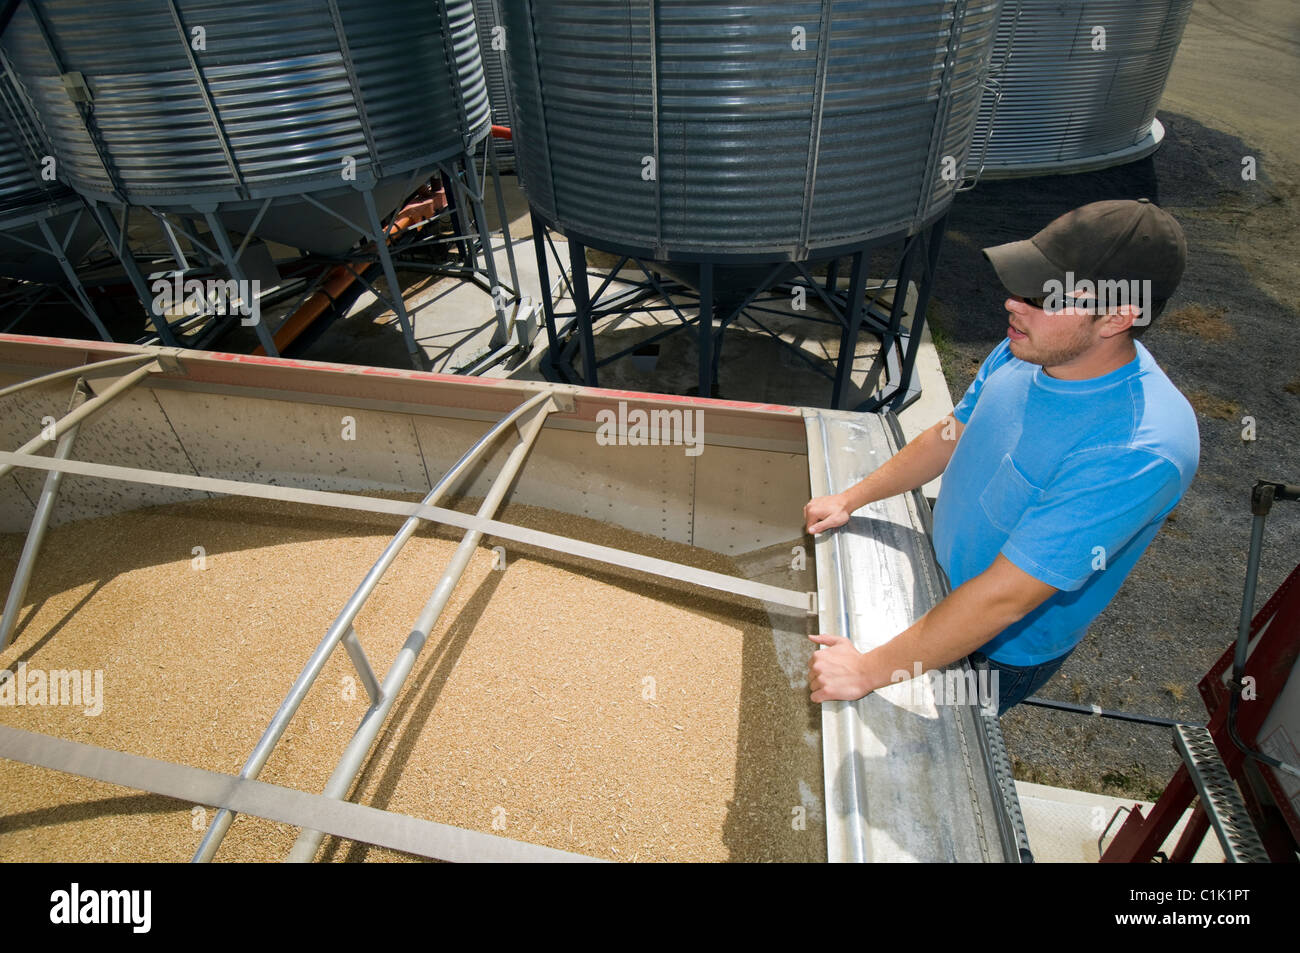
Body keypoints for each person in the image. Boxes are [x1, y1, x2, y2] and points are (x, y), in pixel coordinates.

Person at [802, 198, 1200, 716]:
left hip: (995, 649)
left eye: (1042, 295)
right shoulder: (1027, 348)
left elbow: (1006, 598)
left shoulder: (1137, 450)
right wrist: (852, 497)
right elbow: (952, 433)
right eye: (1020, 285)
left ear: (1118, 317)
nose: (1013, 304)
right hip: (936, 577)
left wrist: (869, 670)